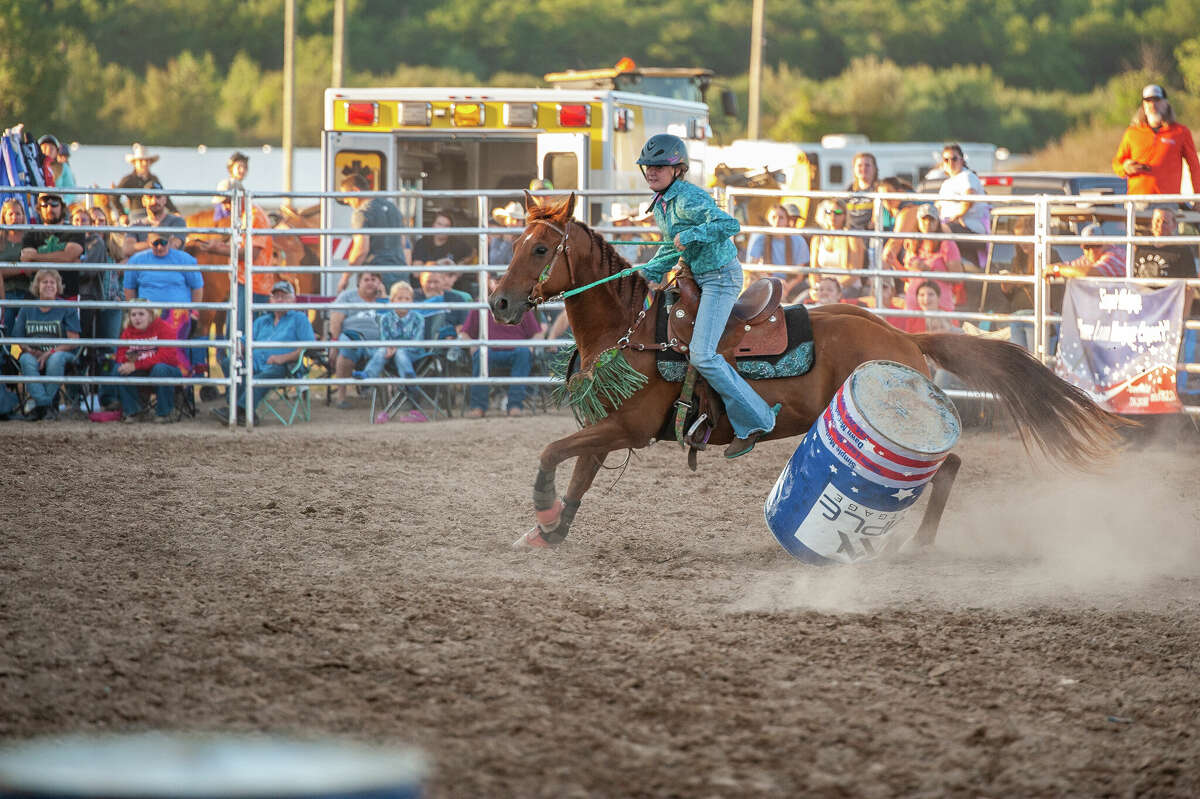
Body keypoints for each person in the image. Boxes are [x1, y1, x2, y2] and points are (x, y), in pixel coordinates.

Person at [635, 133, 778, 458]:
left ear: (677, 169)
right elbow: (671, 250)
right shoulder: (661, 205)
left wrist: (693, 233)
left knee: (702, 354)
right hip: (698, 278)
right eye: (648, 167)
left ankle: (759, 417)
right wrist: (645, 273)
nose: (652, 172)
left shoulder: (686, 199)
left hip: (720, 279)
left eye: (659, 166)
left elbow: (729, 224)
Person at [212, 281, 316, 425]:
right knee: (230, 362)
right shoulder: (262, 321)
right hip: (254, 361)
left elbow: (308, 346)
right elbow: (244, 341)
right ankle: (238, 410)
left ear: (293, 299)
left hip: (284, 366)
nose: (279, 300)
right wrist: (238, 348)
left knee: (267, 373)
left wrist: (282, 358)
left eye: (284, 296)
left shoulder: (299, 319)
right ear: (270, 300)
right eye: (276, 296)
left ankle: (239, 411)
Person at [186, 187, 279, 336]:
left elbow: (251, 253)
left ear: (239, 198)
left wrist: (217, 249)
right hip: (245, 281)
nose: (225, 207)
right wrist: (218, 245)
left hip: (254, 283)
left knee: (241, 333)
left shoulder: (254, 216)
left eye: (228, 202)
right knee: (237, 332)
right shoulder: (243, 217)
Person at [461, 275, 543, 418]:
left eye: (504, 280)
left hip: (517, 351)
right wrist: (472, 347)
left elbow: (537, 334)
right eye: (497, 280)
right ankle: (478, 407)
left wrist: (530, 347)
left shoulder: (521, 305)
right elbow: (465, 334)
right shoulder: (480, 305)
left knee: (524, 353)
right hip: (489, 351)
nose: (500, 284)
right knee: (480, 354)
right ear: (491, 283)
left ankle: (515, 405)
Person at [11, 269, 80, 421]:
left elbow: (73, 340)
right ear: (37, 286)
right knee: (25, 359)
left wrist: (50, 352)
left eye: (52, 282)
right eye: (44, 282)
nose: (49, 285)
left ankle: (40, 407)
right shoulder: (27, 308)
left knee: (55, 359)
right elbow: (18, 337)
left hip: (60, 353)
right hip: (34, 353)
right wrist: (29, 350)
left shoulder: (67, 307)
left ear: (58, 286)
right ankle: (46, 406)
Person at [1112, 84, 1200, 197]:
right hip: (1137, 200)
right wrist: (1125, 167)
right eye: (1148, 101)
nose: (1152, 105)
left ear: (1166, 103)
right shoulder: (1132, 132)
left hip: (1167, 201)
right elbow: (1117, 163)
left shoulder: (1180, 132)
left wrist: (1198, 196)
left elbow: (1195, 166)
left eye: (1157, 100)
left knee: (1163, 215)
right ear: (1143, 105)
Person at [114, 301, 190, 423]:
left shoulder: (163, 327)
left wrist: (136, 364)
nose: (137, 318)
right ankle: (134, 411)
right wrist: (128, 360)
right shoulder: (128, 332)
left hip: (167, 372)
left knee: (159, 368)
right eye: (133, 315)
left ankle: (166, 413)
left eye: (141, 314)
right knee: (119, 368)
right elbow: (120, 356)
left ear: (150, 315)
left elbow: (167, 357)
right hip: (142, 373)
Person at [335, 173, 406, 292]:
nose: (346, 201)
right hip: (400, 272)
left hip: (376, 276)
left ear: (355, 191)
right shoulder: (393, 208)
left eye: (346, 196)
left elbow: (361, 250)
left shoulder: (362, 213)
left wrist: (345, 277)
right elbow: (403, 242)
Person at [327, 270, 387, 408]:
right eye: (366, 279)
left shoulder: (384, 299)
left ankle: (379, 391)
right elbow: (335, 321)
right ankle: (341, 397)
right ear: (359, 282)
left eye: (374, 279)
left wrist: (383, 297)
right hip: (352, 336)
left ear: (380, 284)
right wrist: (334, 345)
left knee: (387, 350)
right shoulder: (347, 297)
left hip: (378, 342)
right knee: (348, 347)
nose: (370, 283)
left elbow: (390, 321)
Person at [352, 280, 425, 382]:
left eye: (407, 298)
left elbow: (417, 342)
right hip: (389, 353)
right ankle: (367, 376)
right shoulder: (385, 318)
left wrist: (397, 347)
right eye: (399, 298)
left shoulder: (418, 318)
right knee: (382, 350)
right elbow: (384, 338)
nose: (403, 301)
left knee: (400, 352)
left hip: (413, 354)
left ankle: (409, 380)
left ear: (412, 301)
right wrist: (389, 347)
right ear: (392, 301)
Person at [20, 192, 85, 298]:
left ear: (62, 207)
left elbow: (68, 256)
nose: (49, 208)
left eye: (54, 203)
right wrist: (65, 260)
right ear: (39, 209)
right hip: (37, 298)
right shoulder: (31, 233)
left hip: (68, 296)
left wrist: (35, 257)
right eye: (44, 205)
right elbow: (28, 268)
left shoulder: (75, 231)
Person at [900, 204, 962, 315]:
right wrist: (893, 262)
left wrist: (928, 270)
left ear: (938, 222)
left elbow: (957, 277)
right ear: (918, 221)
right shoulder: (912, 243)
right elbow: (906, 277)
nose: (928, 223)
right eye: (924, 220)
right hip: (914, 305)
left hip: (940, 306)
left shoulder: (946, 244)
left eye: (931, 220)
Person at [935, 143, 990, 267]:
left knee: (940, 231)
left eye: (954, 158)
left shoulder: (967, 176)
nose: (950, 162)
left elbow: (968, 200)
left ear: (962, 160)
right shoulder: (947, 183)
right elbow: (938, 206)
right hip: (952, 227)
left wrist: (955, 217)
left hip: (971, 229)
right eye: (946, 159)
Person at [745, 203, 809, 297]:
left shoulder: (798, 240)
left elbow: (799, 276)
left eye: (781, 217)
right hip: (768, 281)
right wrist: (774, 283)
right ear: (768, 220)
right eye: (774, 217)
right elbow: (754, 267)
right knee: (750, 282)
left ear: (787, 221)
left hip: (791, 284)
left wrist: (785, 288)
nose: (777, 221)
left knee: (807, 289)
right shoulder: (760, 238)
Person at [808, 198, 865, 299]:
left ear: (844, 216)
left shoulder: (852, 238)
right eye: (828, 212)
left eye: (838, 212)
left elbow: (854, 274)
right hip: (823, 287)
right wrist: (817, 287)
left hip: (847, 286)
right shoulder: (817, 238)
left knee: (830, 301)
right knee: (798, 303)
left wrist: (835, 288)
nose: (833, 216)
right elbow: (813, 270)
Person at [122, 179, 186, 257]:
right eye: (150, 196)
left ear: (165, 200)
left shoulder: (177, 222)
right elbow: (127, 249)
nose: (154, 201)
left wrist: (145, 245)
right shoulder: (135, 225)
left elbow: (173, 246)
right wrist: (160, 243)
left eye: (158, 196)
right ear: (143, 201)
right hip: (145, 268)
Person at [115, 143, 176, 216]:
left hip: (156, 212)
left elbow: (164, 196)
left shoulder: (154, 178)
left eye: (147, 161)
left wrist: (174, 211)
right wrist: (122, 214)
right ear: (135, 163)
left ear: (150, 162)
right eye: (141, 161)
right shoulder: (128, 179)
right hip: (137, 213)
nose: (144, 163)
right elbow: (114, 196)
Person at [1048, 223, 1126, 278]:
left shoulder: (1114, 255)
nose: (1092, 250)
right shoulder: (1090, 259)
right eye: (1088, 246)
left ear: (1105, 243)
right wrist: (1052, 268)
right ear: (1082, 247)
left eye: (1097, 245)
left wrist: (1057, 269)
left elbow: (1089, 272)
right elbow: (1070, 266)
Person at [410, 209, 474, 269]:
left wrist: (461, 264)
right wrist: (437, 264)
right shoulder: (422, 244)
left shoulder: (457, 243)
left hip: (450, 280)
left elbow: (473, 252)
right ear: (433, 225)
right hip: (427, 280)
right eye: (439, 224)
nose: (442, 228)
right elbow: (416, 273)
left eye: (446, 226)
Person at [844, 152, 879, 231]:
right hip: (849, 232)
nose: (863, 168)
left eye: (867, 165)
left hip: (869, 233)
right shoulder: (849, 190)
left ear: (874, 169)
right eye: (860, 165)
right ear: (854, 169)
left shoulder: (879, 189)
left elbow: (881, 218)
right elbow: (838, 208)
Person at [38, 135, 76, 203]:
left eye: (52, 148)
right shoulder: (35, 167)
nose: (48, 151)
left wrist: (62, 204)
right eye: (44, 148)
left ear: (57, 151)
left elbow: (71, 191)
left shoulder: (63, 167)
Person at [487, 201, 526, 267]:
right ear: (505, 221)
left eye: (518, 220)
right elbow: (495, 263)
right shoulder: (498, 238)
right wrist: (506, 243)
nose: (515, 223)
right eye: (512, 219)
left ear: (522, 222)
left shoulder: (527, 238)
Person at [213, 152, 249, 221]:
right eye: (239, 167)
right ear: (231, 168)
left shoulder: (239, 185)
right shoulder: (227, 184)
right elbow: (222, 207)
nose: (242, 170)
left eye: (245, 167)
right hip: (226, 223)